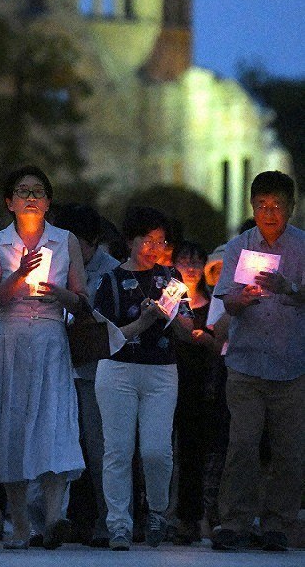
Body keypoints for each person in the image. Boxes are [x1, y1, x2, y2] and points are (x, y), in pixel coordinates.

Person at [0, 166, 86, 550]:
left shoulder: (65, 241)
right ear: (9, 202)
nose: (30, 197)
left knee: (53, 423)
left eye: (38, 191)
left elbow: (82, 298)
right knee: (13, 426)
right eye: (22, 191)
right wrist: (18, 276)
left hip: (49, 337)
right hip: (9, 339)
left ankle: (55, 517)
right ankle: (21, 523)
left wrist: (60, 292)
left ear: (48, 201)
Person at [211, 171, 304, 553]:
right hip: (246, 362)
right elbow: (225, 299)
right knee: (243, 444)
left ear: (291, 208)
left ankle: (278, 524)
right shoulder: (238, 247)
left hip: (292, 363)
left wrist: (289, 288)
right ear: (252, 207)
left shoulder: (301, 247)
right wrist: (242, 299)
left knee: (289, 449)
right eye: (262, 205)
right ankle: (233, 521)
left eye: (277, 205)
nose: (269, 213)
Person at [94, 206, 193, 551]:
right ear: (130, 240)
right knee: (118, 449)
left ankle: (156, 510)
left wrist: (174, 318)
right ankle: (119, 523)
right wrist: (145, 320)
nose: (153, 247)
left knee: (156, 450)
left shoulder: (172, 278)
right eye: (146, 240)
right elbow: (104, 336)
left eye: (160, 241)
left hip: (161, 370)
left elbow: (186, 329)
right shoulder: (110, 281)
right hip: (118, 369)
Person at [53, 203, 119, 548]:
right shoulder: (56, 264)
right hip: (59, 365)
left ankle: (110, 520)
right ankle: (63, 519)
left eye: (75, 241)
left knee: (98, 447)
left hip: (95, 368)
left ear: (92, 240)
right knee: (62, 446)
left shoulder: (111, 272)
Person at [170, 241, 221, 544]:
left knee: (192, 451)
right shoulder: (169, 297)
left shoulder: (214, 302)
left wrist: (203, 340)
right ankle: (160, 513)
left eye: (196, 261)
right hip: (166, 377)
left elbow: (219, 343)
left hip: (199, 383)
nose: (190, 267)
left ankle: (189, 519)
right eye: (183, 260)